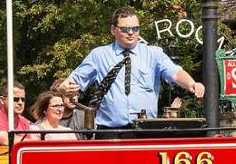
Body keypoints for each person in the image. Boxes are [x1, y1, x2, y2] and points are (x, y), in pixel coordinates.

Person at [61, 7, 204, 136]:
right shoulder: (98, 55)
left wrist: (191, 83)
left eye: (135, 29)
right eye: (125, 29)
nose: (131, 33)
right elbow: (72, 82)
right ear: (113, 30)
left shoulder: (153, 54)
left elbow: (175, 73)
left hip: (147, 131)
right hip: (110, 132)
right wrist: (65, 87)